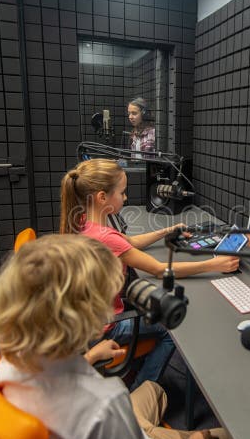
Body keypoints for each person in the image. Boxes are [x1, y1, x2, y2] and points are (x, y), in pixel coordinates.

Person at [0, 234, 233, 439]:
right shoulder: (104, 404)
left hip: (97, 437)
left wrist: (90, 357)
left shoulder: (12, 360)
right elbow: (102, 410)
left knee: (154, 390)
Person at [59, 158, 239, 389]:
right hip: (105, 328)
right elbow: (159, 269)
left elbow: (131, 242)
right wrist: (215, 264)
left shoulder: (84, 222)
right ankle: (143, 389)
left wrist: (168, 230)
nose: (125, 198)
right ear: (102, 197)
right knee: (172, 329)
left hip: (84, 323)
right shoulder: (106, 238)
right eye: (122, 193)